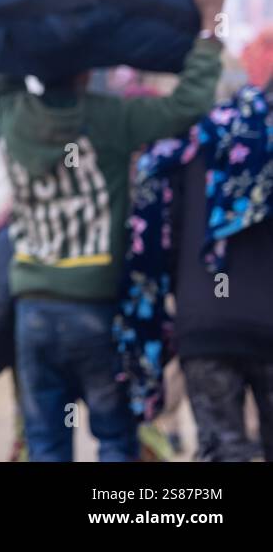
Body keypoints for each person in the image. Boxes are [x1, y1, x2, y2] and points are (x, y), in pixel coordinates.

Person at [0, 0, 224, 461]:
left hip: (31, 310)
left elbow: (0, 61)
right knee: (116, 438)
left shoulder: (11, 116)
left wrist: (11, 0)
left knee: (44, 442)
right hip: (95, 308)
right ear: (87, 67)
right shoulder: (113, 117)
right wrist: (211, 22)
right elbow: (190, 104)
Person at [117, 51, 273, 461]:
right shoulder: (264, 151)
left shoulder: (183, 153)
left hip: (203, 326)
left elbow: (155, 249)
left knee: (223, 451)